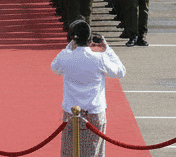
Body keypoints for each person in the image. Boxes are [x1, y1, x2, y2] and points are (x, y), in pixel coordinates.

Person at [50, 20, 126, 157]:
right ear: (89, 39)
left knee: (69, 153)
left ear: (72, 38)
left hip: (71, 113)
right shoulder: (99, 58)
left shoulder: (65, 56)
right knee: (94, 153)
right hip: (94, 113)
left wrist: (70, 45)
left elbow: (54, 67)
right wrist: (107, 49)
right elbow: (121, 71)